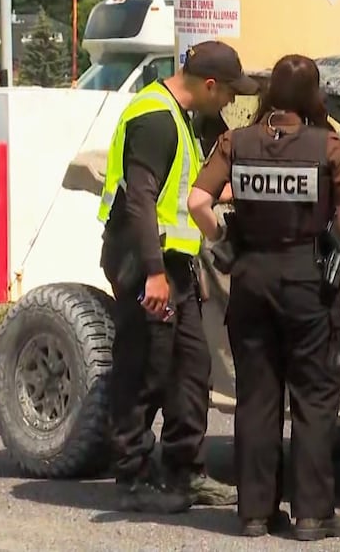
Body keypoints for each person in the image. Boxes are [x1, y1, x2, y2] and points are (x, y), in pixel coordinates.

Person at [187, 54, 340, 540]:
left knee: (258, 397)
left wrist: (222, 239)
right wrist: (329, 235)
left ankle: (254, 513)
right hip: (306, 279)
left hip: (250, 277)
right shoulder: (327, 145)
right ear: (313, 95)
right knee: (312, 398)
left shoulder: (236, 141)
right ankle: (312, 514)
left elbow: (197, 202)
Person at [97, 40, 251, 514]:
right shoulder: (155, 118)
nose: (229, 101)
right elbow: (142, 201)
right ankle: (134, 475)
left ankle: (186, 471)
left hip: (173, 265)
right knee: (145, 368)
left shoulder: (181, 117)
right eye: (227, 93)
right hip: (143, 262)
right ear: (209, 84)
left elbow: (178, 196)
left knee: (191, 368)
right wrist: (154, 275)